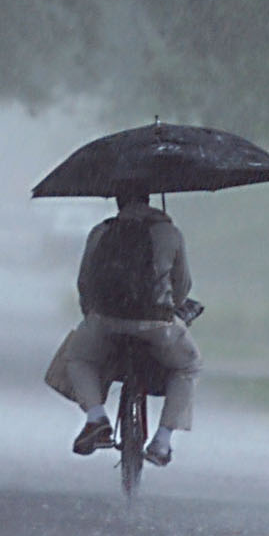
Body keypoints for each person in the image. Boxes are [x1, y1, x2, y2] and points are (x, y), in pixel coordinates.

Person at [62, 186, 200, 466]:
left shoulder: (101, 232)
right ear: (149, 200)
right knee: (188, 366)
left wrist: (92, 314)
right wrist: (172, 306)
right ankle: (162, 442)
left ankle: (96, 418)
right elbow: (182, 286)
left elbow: (85, 283)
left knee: (77, 357)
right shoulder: (169, 233)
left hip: (105, 321)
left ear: (118, 200)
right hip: (156, 324)